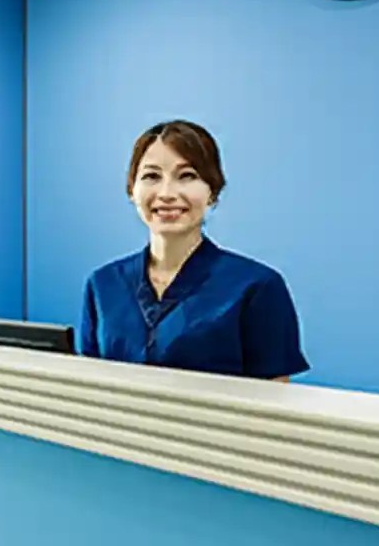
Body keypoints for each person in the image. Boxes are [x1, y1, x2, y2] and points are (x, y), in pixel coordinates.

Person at [77, 120, 309, 382]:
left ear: (212, 191)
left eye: (187, 176)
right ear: (132, 190)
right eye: (151, 176)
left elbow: (274, 405)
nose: (166, 193)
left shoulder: (258, 287)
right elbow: (91, 386)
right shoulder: (103, 285)